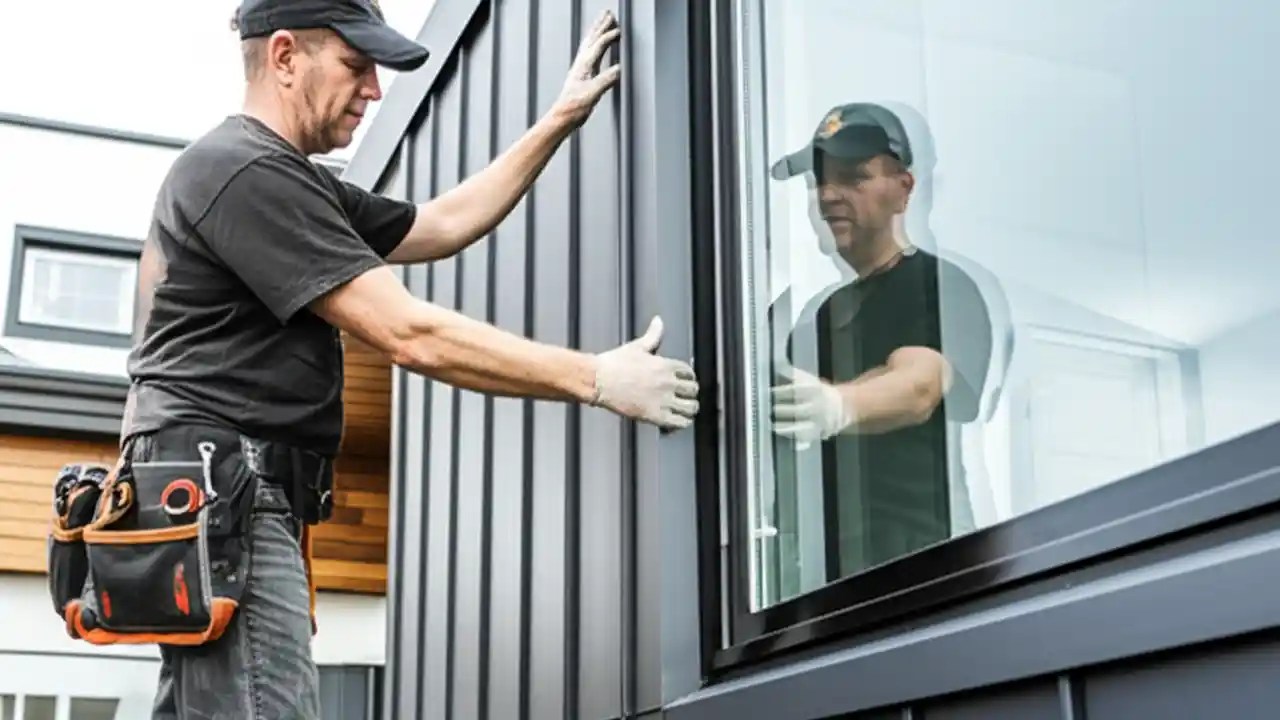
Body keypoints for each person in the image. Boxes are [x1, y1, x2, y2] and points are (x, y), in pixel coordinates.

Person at [119, 1, 699, 717]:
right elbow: (407, 333)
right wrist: (600, 378)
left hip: (219, 497)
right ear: (284, 57)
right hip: (229, 497)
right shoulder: (246, 175)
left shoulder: (277, 178)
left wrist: (556, 121)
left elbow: (441, 223)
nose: (374, 90)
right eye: (356, 67)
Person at [767, 102, 994, 578]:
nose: (828, 195)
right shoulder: (817, 315)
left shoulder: (937, 285)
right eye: (818, 181)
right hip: (817, 576)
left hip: (920, 576)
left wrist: (836, 405)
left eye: (853, 177)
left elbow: (918, 385)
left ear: (904, 190)